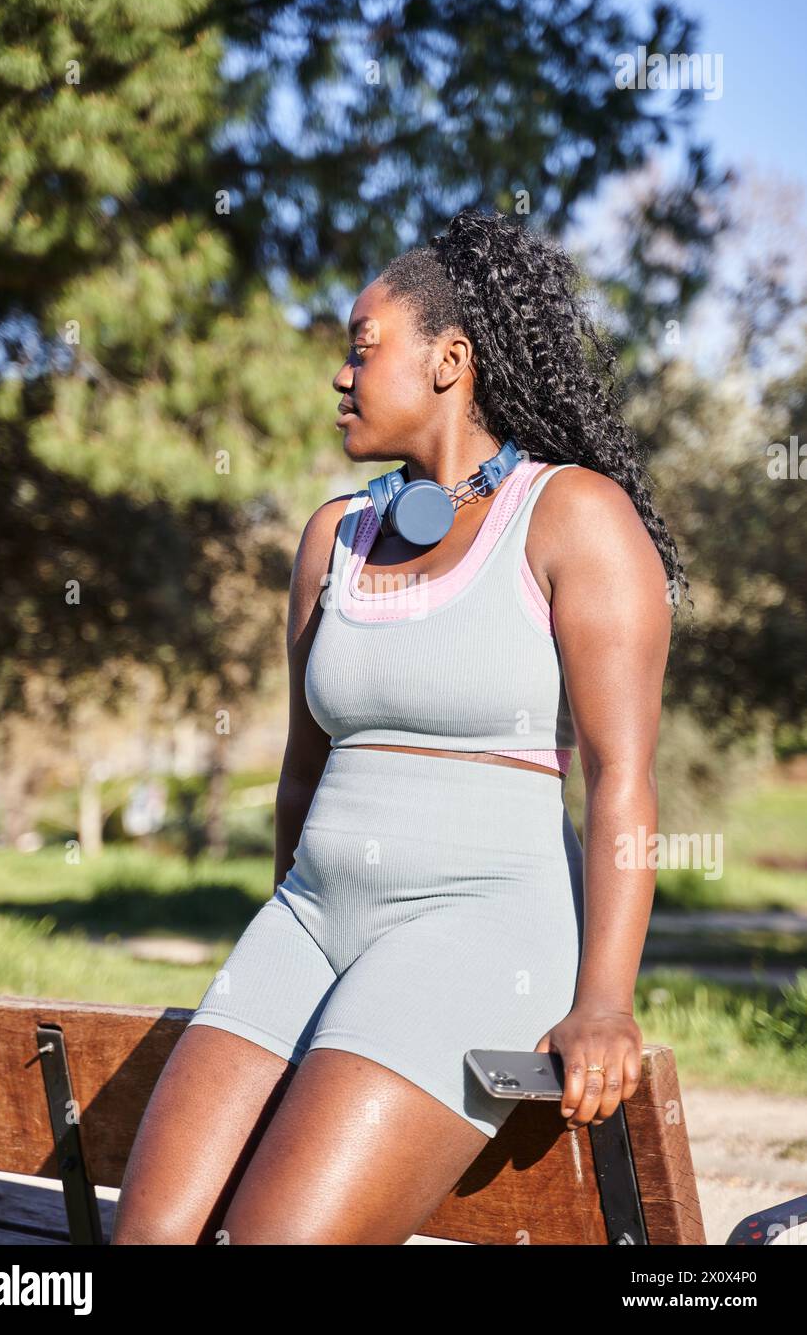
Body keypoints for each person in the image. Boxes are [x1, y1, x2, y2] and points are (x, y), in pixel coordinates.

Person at [112, 207, 680, 1246]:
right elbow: (300, 769)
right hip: (308, 921)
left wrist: (603, 998)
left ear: (447, 360)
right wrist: (285, 925)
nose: (337, 374)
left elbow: (621, 777)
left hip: (475, 931)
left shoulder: (571, 516)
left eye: (359, 347)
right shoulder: (335, 535)